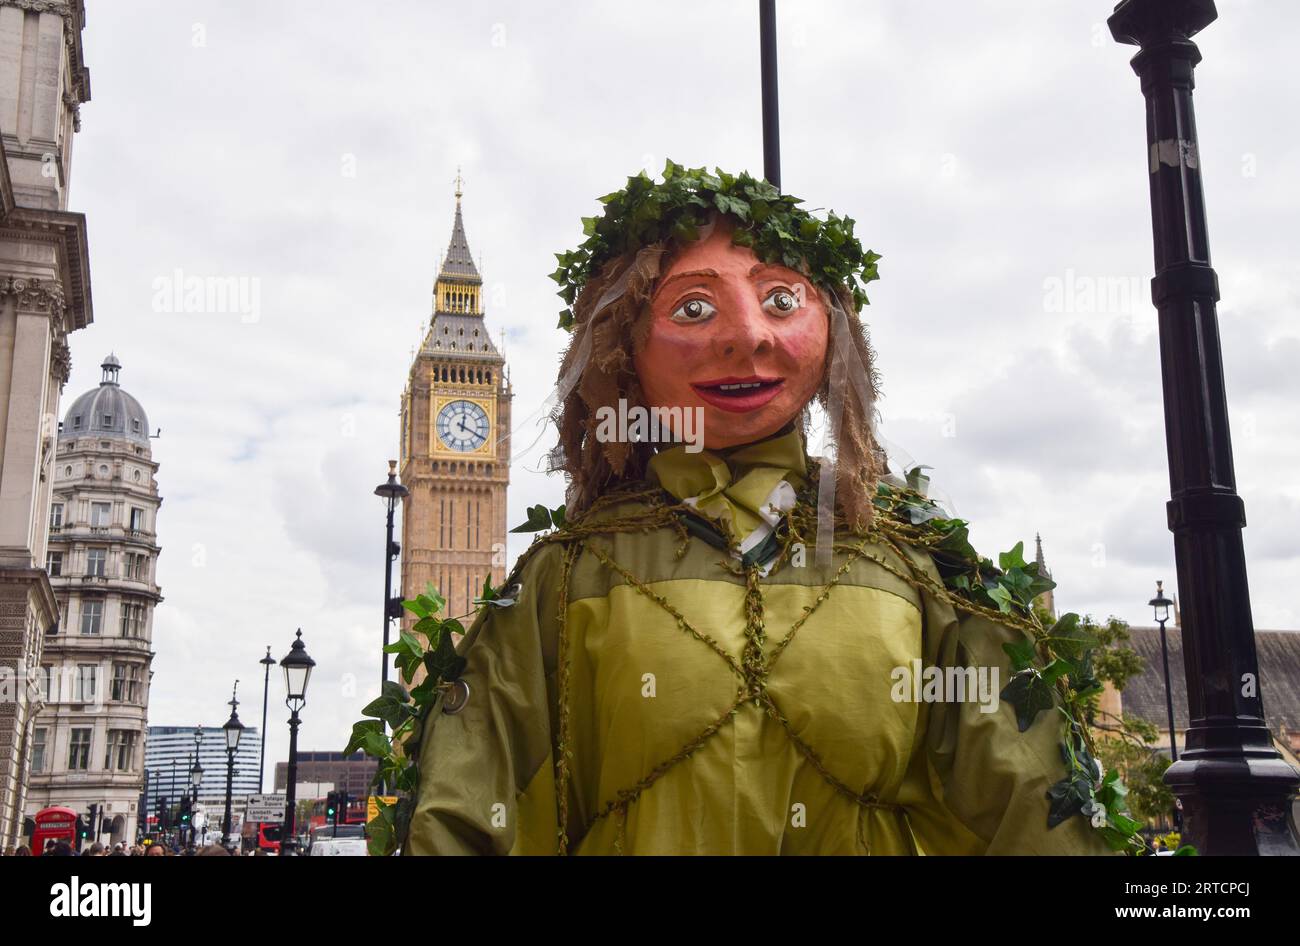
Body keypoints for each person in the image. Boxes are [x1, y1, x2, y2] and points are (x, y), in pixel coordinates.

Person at [406, 163, 1119, 856]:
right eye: (693, 307)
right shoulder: (563, 581)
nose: (747, 335)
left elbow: (1034, 803)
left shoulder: (915, 564)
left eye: (782, 300)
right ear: (621, 350)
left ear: (835, 333)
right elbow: (467, 812)